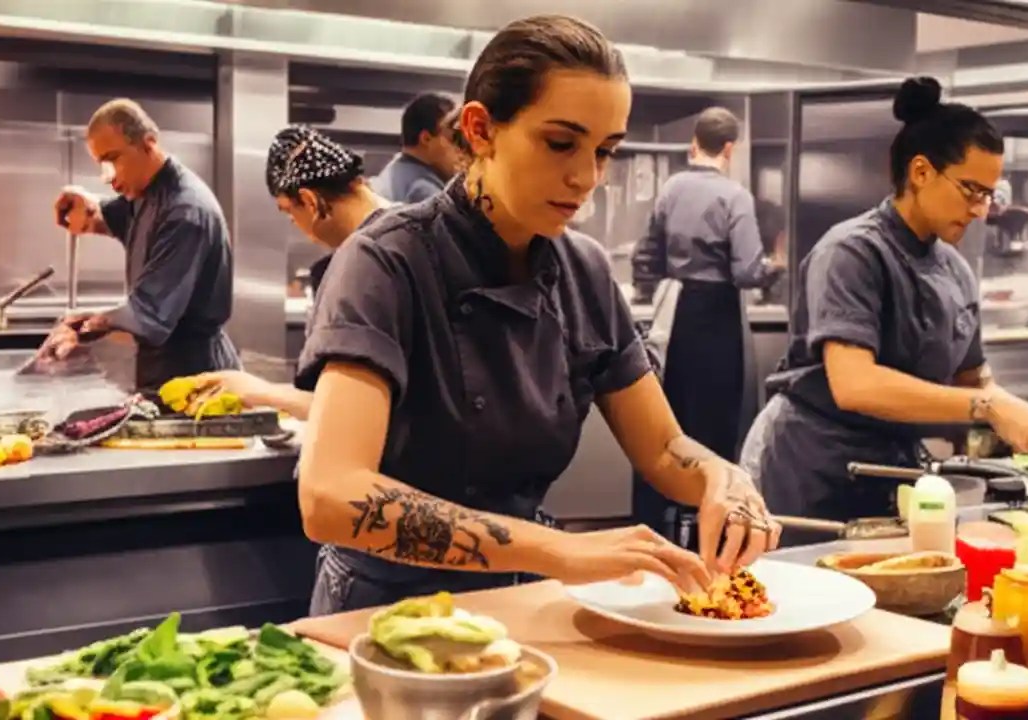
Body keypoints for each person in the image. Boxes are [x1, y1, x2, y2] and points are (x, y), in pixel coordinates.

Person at [295, 14, 781, 616]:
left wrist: (722, 478)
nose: (587, 177)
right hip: (384, 610)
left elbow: (662, 447)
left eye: (605, 151)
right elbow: (330, 494)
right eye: (560, 143)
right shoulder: (385, 261)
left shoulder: (585, 271)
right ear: (479, 129)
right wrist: (558, 550)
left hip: (524, 601)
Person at [741, 77, 1028, 532]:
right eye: (972, 191)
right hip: (810, 465)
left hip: (890, 469)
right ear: (922, 172)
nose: (981, 209)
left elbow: (975, 380)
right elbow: (856, 384)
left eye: (989, 195)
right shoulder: (852, 251)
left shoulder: (954, 270)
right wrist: (988, 407)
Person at [631, 107, 784, 540]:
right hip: (718, 319)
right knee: (716, 426)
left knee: (669, 424)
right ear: (730, 149)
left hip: (677, 315)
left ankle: (654, 531)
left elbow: (648, 254)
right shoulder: (734, 196)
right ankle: (708, 535)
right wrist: (775, 267)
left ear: (694, 142)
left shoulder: (671, 187)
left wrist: (651, 287)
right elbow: (746, 271)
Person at [189, 126, 392, 421]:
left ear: (309, 201)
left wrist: (256, 391)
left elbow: (348, 410)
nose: (296, 225)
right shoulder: (408, 234)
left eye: (288, 211)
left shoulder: (368, 262)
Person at [40, 99, 239, 392]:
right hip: (162, 371)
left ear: (148, 144)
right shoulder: (145, 194)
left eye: (113, 159)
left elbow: (149, 315)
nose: (107, 177)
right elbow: (115, 217)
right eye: (101, 165)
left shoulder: (185, 213)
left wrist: (85, 327)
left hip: (198, 379)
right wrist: (88, 209)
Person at [371, 92, 463, 204]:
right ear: (426, 139)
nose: (461, 149)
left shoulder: (395, 173)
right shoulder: (424, 193)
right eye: (454, 138)